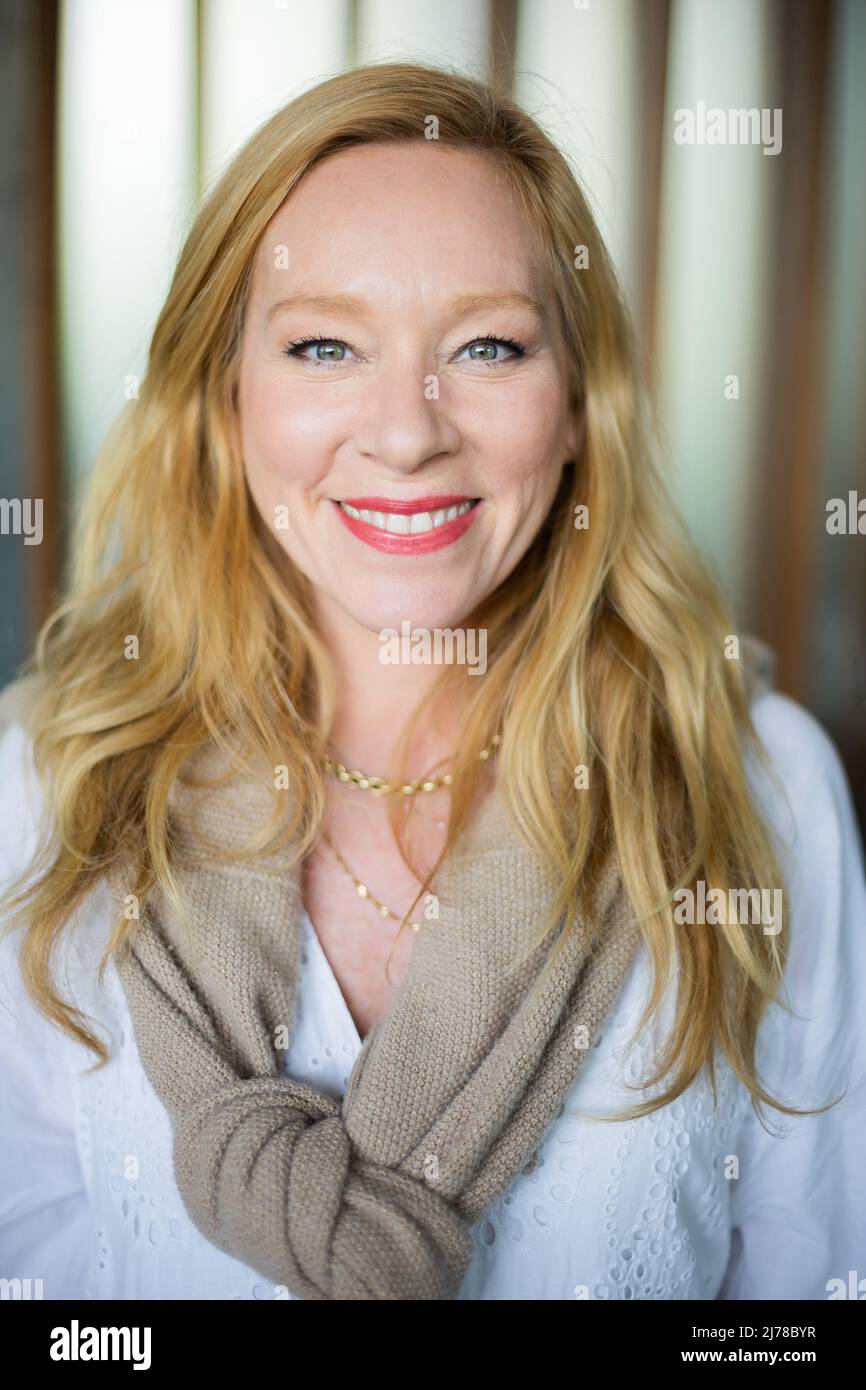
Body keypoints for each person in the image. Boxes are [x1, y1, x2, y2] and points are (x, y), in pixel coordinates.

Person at [1, 61, 864, 1302]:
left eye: (485, 344)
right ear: (222, 400)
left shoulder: (758, 787)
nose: (407, 431)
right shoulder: (48, 791)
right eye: (322, 345)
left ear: (577, 407)